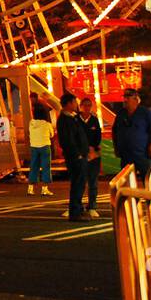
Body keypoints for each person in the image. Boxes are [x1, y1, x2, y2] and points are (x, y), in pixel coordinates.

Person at [57, 93, 99, 221]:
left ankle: (78, 209)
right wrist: (78, 154)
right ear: (69, 103)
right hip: (75, 157)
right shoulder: (65, 119)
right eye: (75, 102)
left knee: (80, 183)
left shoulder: (73, 117)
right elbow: (68, 140)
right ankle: (75, 212)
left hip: (81, 155)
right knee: (77, 183)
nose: (76, 105)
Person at [112, 87, 151, 181]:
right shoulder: (121, 114)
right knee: (128, 183)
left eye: (128, 97)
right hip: (126, 156)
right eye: (124, 97)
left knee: (149, 181)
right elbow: (115, 131)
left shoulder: (145, 112)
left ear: (135, 98)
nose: (125, 100)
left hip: (143, 155)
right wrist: (116, 148)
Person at [78, 97, 103, 214]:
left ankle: (92, 205)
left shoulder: (94, 120)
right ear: (81, 106)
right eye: (85, 105)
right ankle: (77, 204)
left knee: (93, 181)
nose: (87, 108)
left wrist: (93, 148)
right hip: (80, 154)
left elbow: (98, 136)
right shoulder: (76, 120)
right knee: (80, 181)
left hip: (93, 154)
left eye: (89, 105)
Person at [27, 103, 55, 196]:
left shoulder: (31, 123)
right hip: (45, 146)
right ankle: (44, 189)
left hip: (34, 147)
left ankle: (30, 188)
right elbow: (52, 135)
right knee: (46, 167)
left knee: (34, 167)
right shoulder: (47, 124)